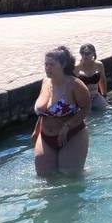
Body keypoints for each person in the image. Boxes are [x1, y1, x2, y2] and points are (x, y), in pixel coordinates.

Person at [33, 46, 91, 176]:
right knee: (43, 177)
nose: (48, 68)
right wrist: (37, 130)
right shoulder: (45, 81)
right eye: (46, 64)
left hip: (72, 135)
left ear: (63, 65)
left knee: (70, 177)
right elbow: (44, 112)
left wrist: (67, 126)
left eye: (52, 65)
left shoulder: (74, 84)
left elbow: (86, 108)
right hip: (46, 136)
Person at [74, 43, 108, 111]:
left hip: (95, 96)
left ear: (93, 53)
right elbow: (71, 86)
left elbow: (102, 81)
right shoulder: (76, 68)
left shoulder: (99, 65)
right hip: (82, 99)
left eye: (88, 53)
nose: (84, 56)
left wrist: (104, 95)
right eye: (82, 53)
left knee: (107, 110)